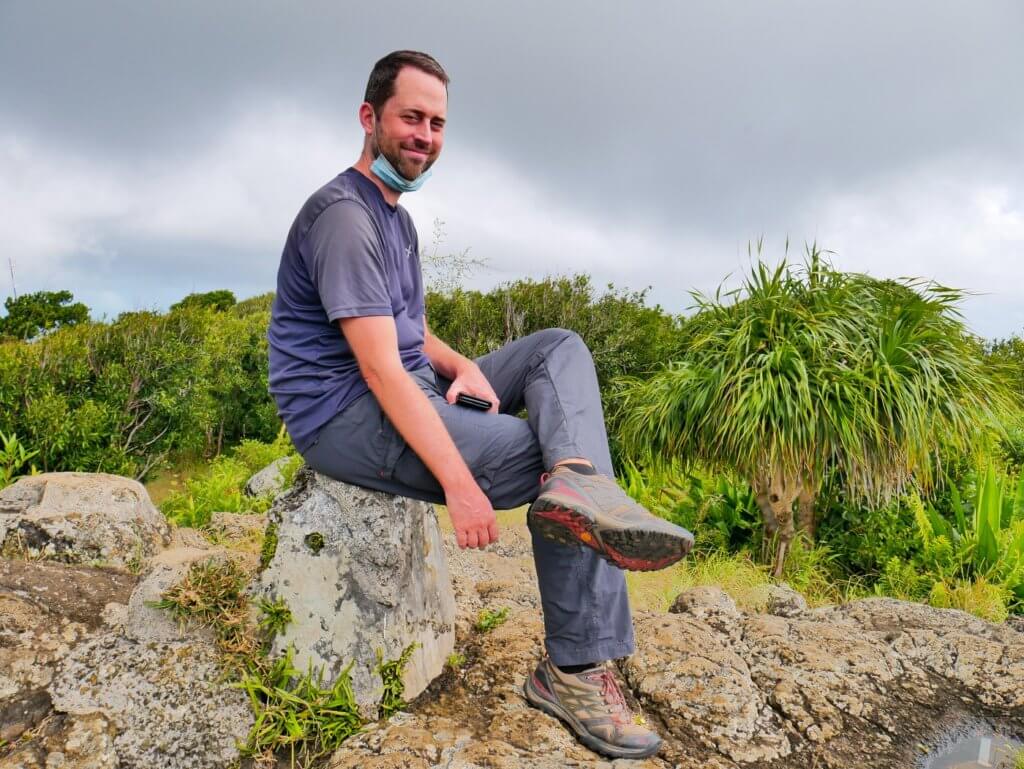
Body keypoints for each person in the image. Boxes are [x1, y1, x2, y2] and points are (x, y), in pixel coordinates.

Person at [267, 50, 694, 760]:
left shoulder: (395, 219)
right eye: (411, 117)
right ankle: (575, 669)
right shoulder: (344, 217)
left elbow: (406, 333)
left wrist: (462, 364)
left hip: (404, 384)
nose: (425, 135)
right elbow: (379, 368)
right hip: (344, 414)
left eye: (437, 123)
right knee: (542, 461)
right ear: (369, 117)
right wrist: (461, 485)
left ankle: (579, 479)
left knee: (558, 349)